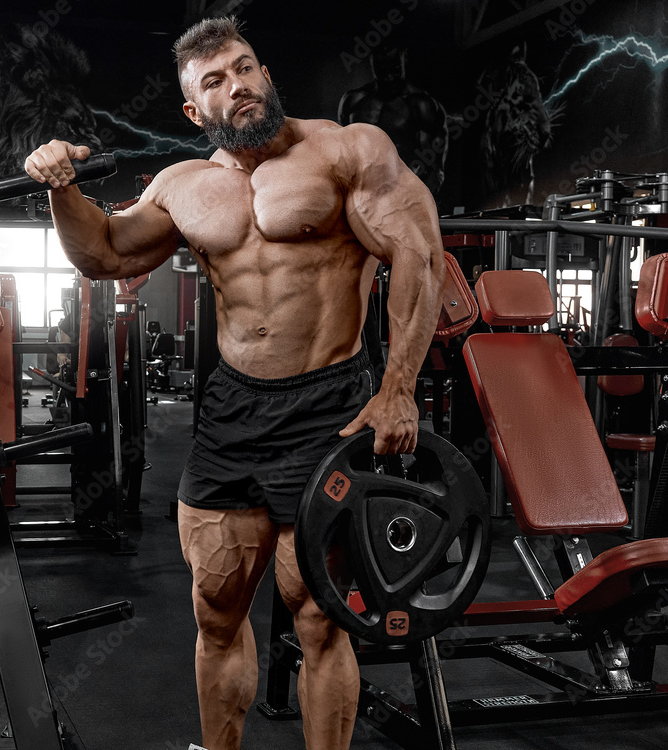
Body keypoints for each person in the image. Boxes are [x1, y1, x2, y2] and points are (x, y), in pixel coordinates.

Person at [24, 16, 444, 750]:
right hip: (232, 414)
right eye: (216, 80)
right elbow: (106, 254)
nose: (238, 85)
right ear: (195, 111)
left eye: (246, 68)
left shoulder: (348, 149)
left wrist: (399, 387)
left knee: (319, 617)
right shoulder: (182, 186)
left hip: (328, 408)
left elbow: (419, 254)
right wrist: (61, 188)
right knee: (215, 611)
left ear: (266, 76)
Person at [338, 45, 449, 196]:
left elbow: (434, 165)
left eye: (394, 68)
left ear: (404, 57)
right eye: (382, 69)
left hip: (402, 191)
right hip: (362, 190)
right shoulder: (353, 101)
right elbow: (342, 150)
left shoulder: (420, 104)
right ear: (372, 61)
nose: (389, 76)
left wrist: (421, 194)